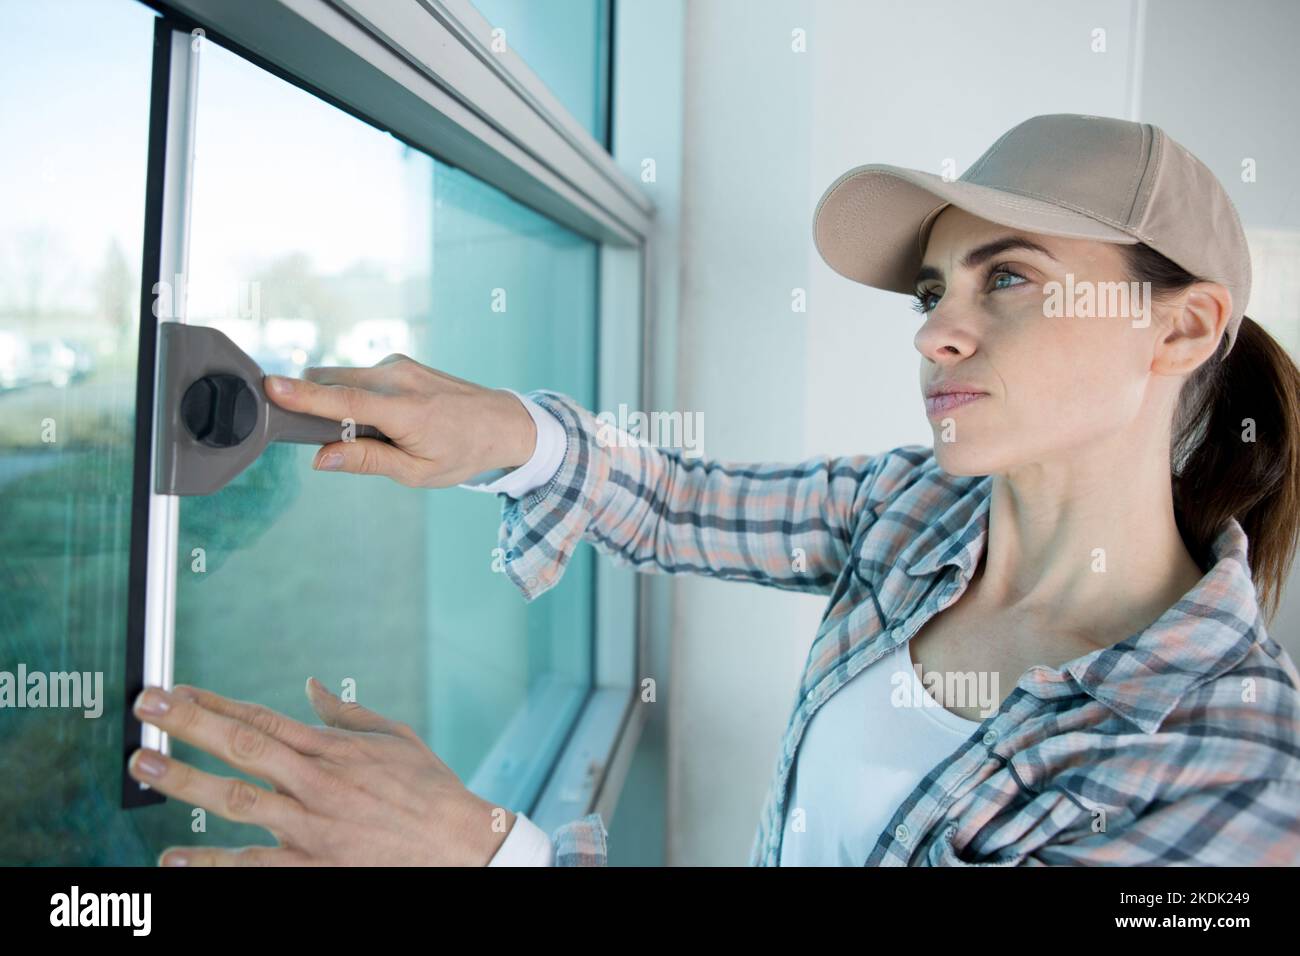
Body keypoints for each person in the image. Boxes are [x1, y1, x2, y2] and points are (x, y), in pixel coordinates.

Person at [128, 113, 1300, 866]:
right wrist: (503, 432)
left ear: (1182, 327)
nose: (937, 330)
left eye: (1008, 279)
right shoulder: (915, 519)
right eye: (932, 290)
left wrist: (484, 851)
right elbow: (684, 498)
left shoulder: (1235, 769)